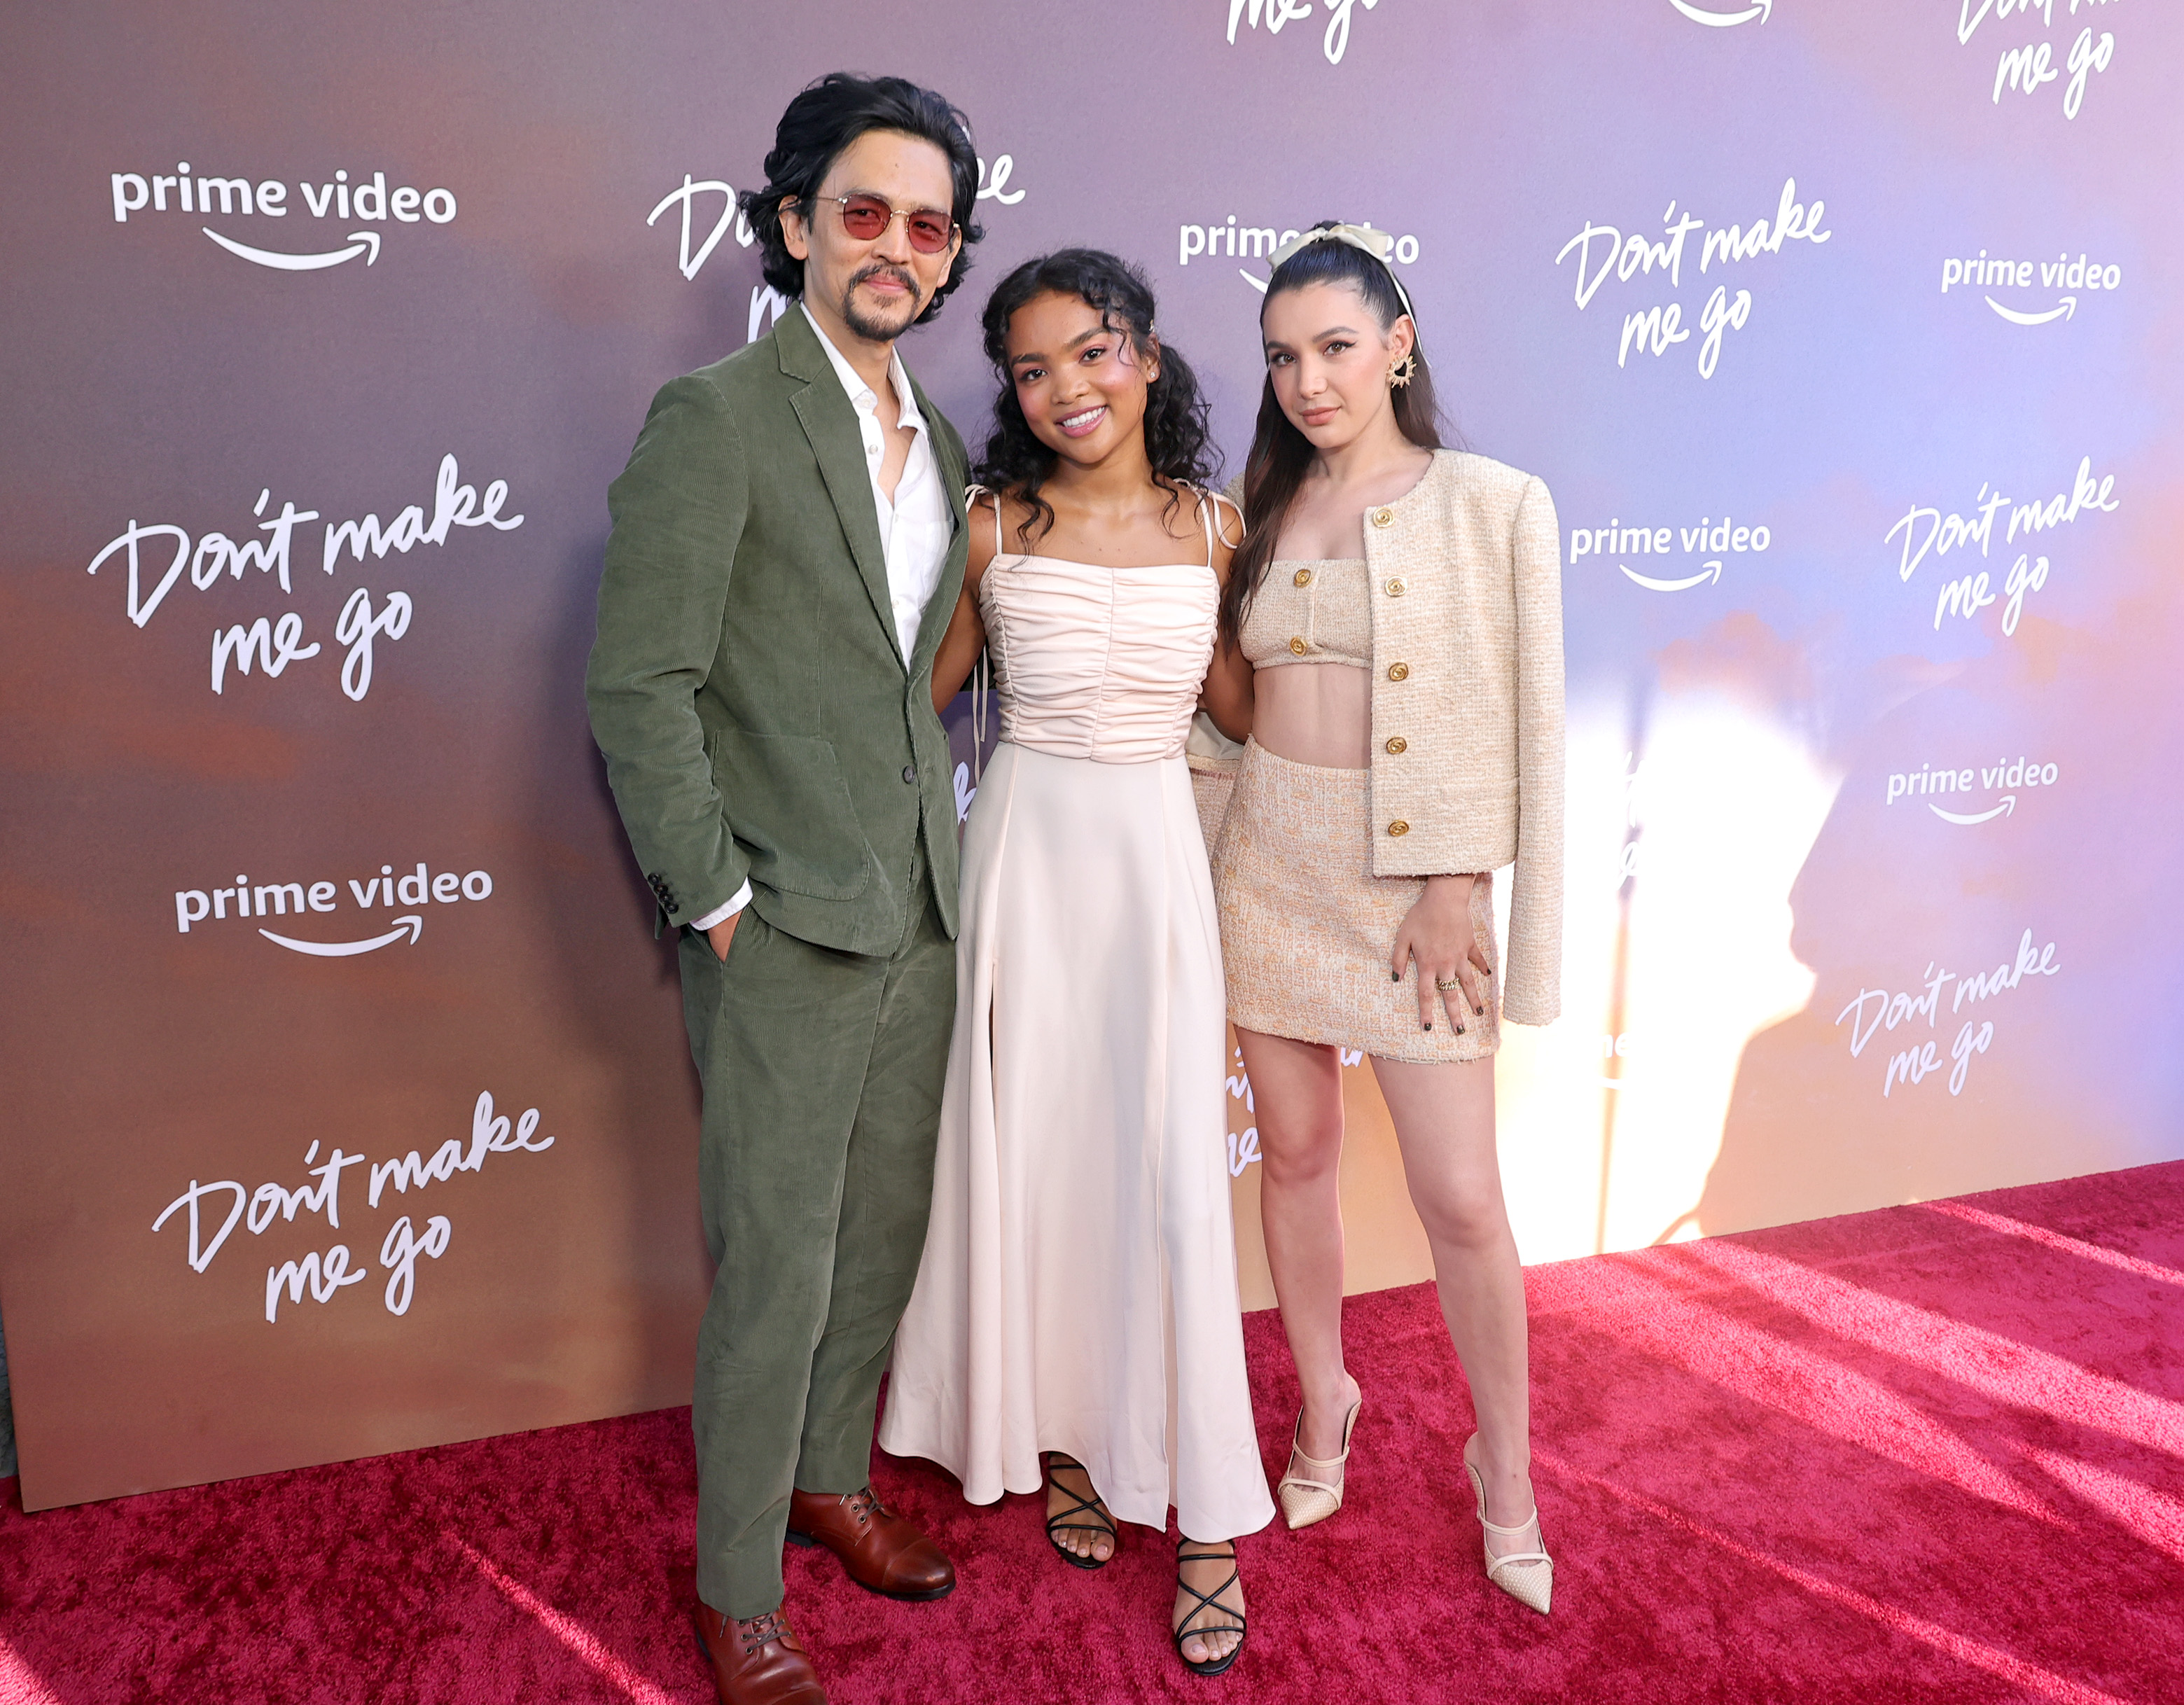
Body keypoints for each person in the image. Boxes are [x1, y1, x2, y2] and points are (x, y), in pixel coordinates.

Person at [585, 74, 985, 1705]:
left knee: (878, 1237)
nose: (897, 247)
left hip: (916, 913)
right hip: (783, 925)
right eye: (866, 212)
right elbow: (640, 684)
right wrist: (714, 896)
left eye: (931, 225)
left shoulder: (943, 439)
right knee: (778, 1258)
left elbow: (910, 683)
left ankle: (829, 1483)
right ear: (799, 224)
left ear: (953, 257)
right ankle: (737, 1581)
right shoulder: (719, 418)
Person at [878, 251, 1273, 1676]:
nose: (1066, 391)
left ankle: (1211, 1518)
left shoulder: (1220, 527)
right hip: (1026, 861)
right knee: (1038, 1157)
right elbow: (910, 701)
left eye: (1093, 355)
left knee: (1167, 1171)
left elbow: (1243, 708)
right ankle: (1070, 1437)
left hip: (1154, 864)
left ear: (1149, 359)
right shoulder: (989, 525)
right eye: (1033, 370)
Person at [1205, 222, 1565, 1614]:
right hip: (1270, 871)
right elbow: (1231, 719)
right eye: (1284, 356)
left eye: (1337, 348)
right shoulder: (1261, 505)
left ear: (1399, 343)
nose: (1309, 380)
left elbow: (1516, 713)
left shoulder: (1493, 502)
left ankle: (1508, 1470)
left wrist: (1456, 884)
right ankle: (1325, 1403)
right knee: (1292, 1158)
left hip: (1415, 891)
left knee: (1461, 1199)